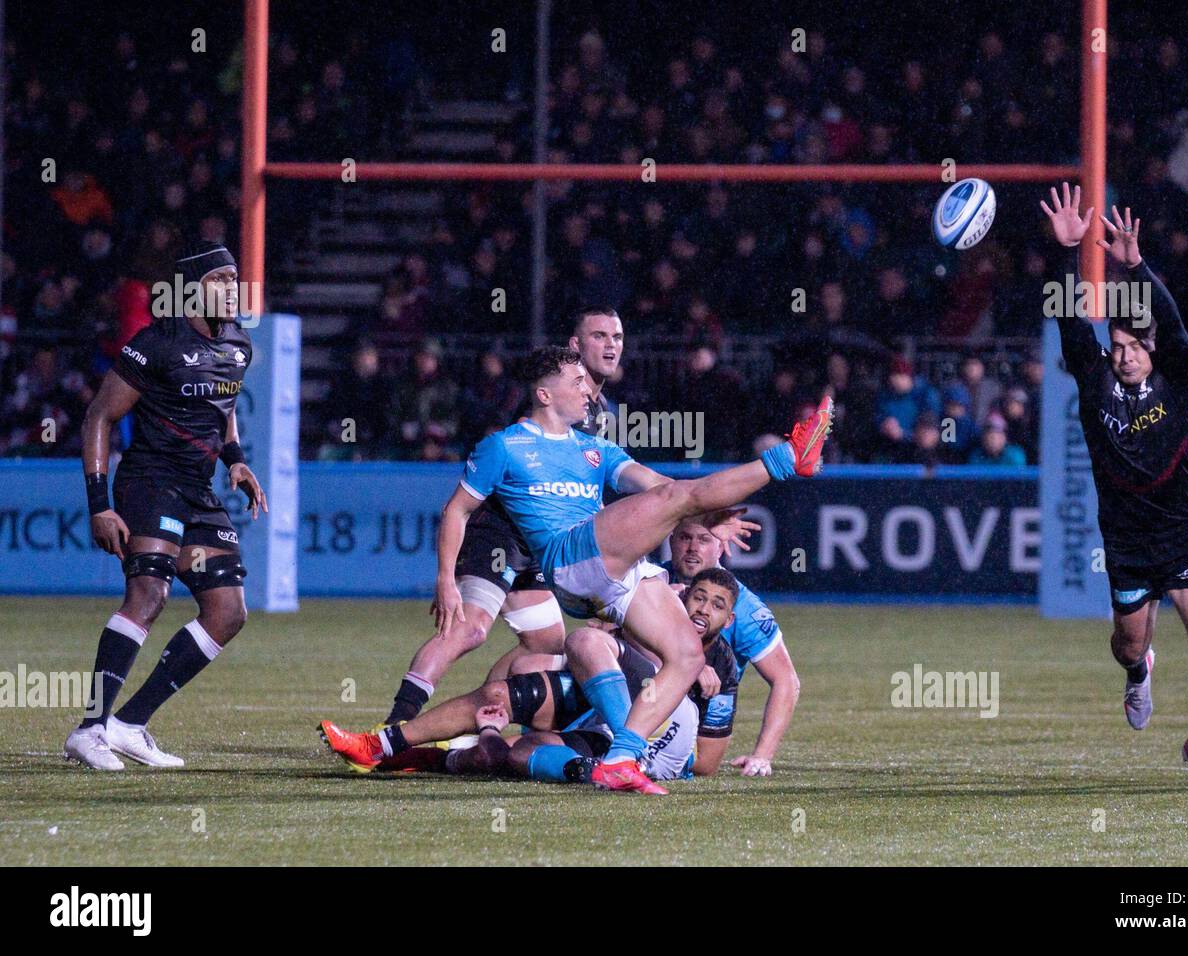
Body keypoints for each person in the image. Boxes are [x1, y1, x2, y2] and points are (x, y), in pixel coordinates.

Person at [435, 346, 831, 793]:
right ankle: (789, 459)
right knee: (675, 502)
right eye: (577, 381)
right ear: (544, 394)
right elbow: (456, 511)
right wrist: (447, 580)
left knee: (686, 656)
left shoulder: (595, 449)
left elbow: (662, 486)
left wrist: (706, 514)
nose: (588, 390)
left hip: (609, 575)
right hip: (568, 560)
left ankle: (621, 758)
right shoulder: (504, 446)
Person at [1040, 184, 1188, 786]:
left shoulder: (1176, 376)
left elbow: (1175, 325)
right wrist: (1068, 254)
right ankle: (1139, 670)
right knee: (1127, 646)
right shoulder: (1093, 379)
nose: (1124, 355)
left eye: (1134, 346)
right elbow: (1066, 315)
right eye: (1117, 346)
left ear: (1151, 348)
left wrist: (1135, 266)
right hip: (1128, 544)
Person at [64, 240, 267, 770]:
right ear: (191, 291)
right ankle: (89, 728)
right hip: (150, 481)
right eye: (219, 281)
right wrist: (98, 504)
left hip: (198, 491)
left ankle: (129, 724)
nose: (230, 289)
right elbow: (98, 418)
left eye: (233, 279)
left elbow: (223, 408)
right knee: (149, 594)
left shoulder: (239, 346)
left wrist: (236, 460)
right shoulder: (156, 343)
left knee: (228, 612)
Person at [376, 308, 626, 731]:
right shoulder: (549, 393)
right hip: (503, 532)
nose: (611, 344)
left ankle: (484, 714)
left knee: (549, 648)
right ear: (575, 346)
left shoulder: (604, 415)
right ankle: (395, 727)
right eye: (599, 336)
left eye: (617, 336)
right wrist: (444, 579)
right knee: (470, 628)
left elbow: (587, 488)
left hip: (546, 546)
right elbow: (512, 455)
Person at [319, 569, 743, 782]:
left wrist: (676, 756)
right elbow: (608, 628)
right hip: (616, 703)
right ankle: (380, 744)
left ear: (729, 617)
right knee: (535, 672)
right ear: (681, 596)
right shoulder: (659, 619)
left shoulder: (722, 666)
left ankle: (431, 756)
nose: (704, 609)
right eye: (698, 598)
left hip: (655, 739)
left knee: (509, 755)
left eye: (716, 605)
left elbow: (705, 761)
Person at [666, 519, 798, 775]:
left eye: (703, 539)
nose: (693, 547)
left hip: (699, 713)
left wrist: (762, 756)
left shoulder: (745, 609)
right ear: (670, 540)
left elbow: (786, 680)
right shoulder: (652, 580)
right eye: (685, 537)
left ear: (721, 546)